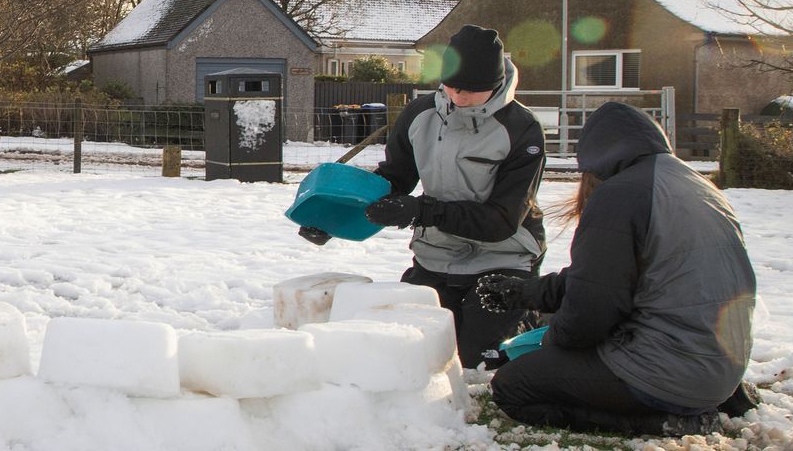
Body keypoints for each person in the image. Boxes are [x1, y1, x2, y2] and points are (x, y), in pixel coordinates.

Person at [478, 101, 757, 437]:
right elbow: (605, 279)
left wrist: (551, 343)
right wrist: (526, 293)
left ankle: (663, 422)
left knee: (514, 385)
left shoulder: (618, 195)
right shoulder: (696, 185)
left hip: (668, 373)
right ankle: (698, 403)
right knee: (557, 325)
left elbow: (591, 313)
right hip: (722, 366)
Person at [303, 24, 547, 369]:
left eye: (472, 91)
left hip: (503, 257)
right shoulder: (420, 115)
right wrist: (333, 216)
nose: (459, 97)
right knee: (418, 353)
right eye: (452, 87)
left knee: (478, 361)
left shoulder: (521, 128)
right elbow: (393, 181)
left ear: (495, 86)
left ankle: (537, 317)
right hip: (437, 256)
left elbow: (501, 221)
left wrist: (423, 211)